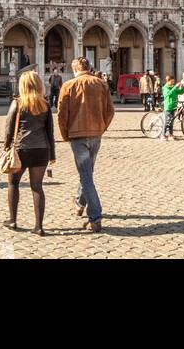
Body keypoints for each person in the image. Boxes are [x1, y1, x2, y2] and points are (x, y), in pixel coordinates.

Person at [57, 56, 115, 234]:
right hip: (96, 134)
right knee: (87, 172)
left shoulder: (68, 86)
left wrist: (65, 134)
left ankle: (95, 216)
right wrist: (101, 127)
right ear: (89, 67)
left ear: (75, 70)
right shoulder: (101, 84)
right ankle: (80, 202)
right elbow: (110, 111)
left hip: (77, 135)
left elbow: (61, 114)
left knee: (86, 175)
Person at [2, 69, 55, 235]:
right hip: (41, 149)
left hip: (21, 149)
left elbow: (9, 129)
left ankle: (13, 220)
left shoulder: (17, 103)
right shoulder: (45, 104)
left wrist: (6, 147)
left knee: (13, 184)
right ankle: (39, 226)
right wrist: (52, 154)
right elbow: (50, 132)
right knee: (37, 187)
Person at [161, 74, 184, 140]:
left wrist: (182, 86)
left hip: (173, 106)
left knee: (171, 121)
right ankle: (162, 135)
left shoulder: (173, 87)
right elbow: (169, 93)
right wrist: (175, 87)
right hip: (168, 107)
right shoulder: (165, 88)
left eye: (173, 82)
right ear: (167, 81)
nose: (173, 83)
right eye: (171, 82)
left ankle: (170, 134)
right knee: (167, 121)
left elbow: (181, 92)